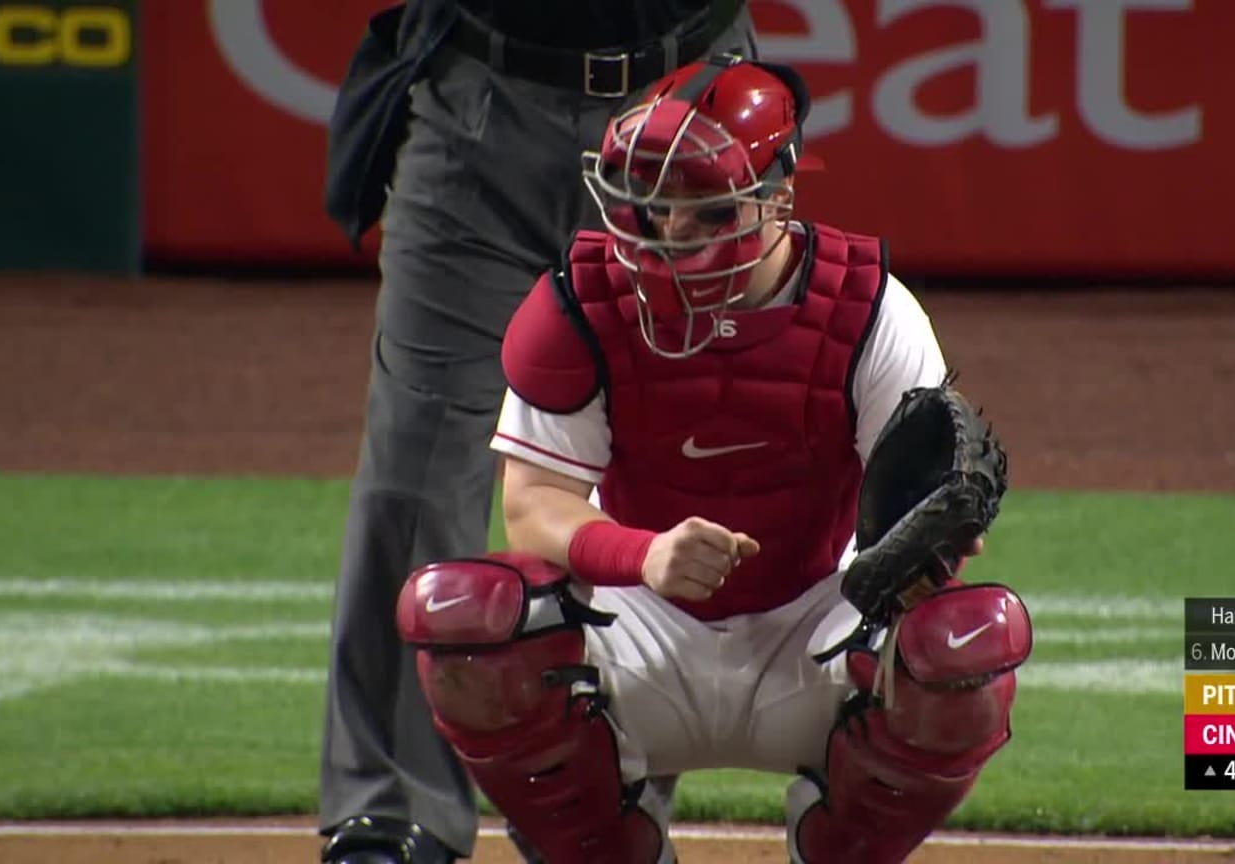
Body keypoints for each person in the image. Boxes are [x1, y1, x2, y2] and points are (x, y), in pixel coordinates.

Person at [393, 54, 1034, 863]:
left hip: (815, 624)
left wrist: (923, 544)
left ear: (778, 193)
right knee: (467, 618)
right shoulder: (578, 302)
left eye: (705, 213)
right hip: (643, 621)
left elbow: (925, 519)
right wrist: (646, 552)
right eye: (652, 211)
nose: (669, 238)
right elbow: (532, 503)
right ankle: (611, 847)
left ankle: (840, 843)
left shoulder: (869, 310)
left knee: (968, 639)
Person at [315, 2, 759, 862]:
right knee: (416, 475)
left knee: (658, 474)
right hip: (479, 104)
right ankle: (392, 812)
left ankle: (603, 813)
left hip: (689, 117)